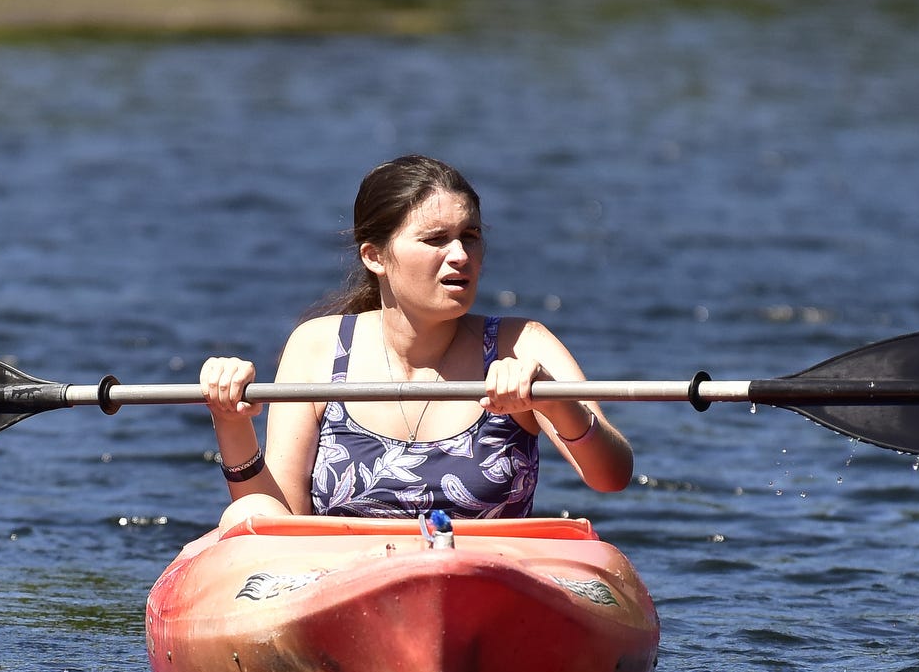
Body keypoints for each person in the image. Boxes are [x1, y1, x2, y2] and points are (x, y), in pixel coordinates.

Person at [194, 156, 633, 533]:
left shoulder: (525, 345)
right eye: (436, 239)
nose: (460, 255)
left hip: (489, 582)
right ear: (375, 256)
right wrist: (230, 421)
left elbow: (611, 477)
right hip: (340, 582)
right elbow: (283, 519)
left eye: (471, 236)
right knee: (249, 512)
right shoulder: (318, 346)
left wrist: (557, 404)